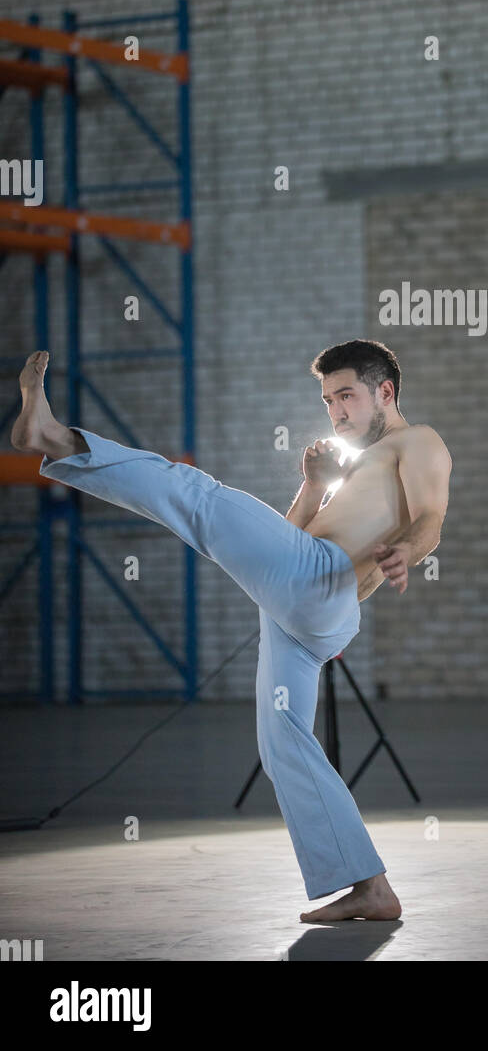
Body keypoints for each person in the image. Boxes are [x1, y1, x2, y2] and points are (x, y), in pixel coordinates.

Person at [11, 339, 452, 923]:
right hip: (299, 600)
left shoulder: (416, 442)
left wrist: (408, 552)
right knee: (282, 741)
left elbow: (431, 518)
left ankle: (57, 440)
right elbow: (287, 536)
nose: (336, 413)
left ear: (385, 392)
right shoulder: (355, 467)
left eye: (346, 396)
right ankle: (369, 886)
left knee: (194, 493)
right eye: (327, 401)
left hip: (322, 584)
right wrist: (316, 485)